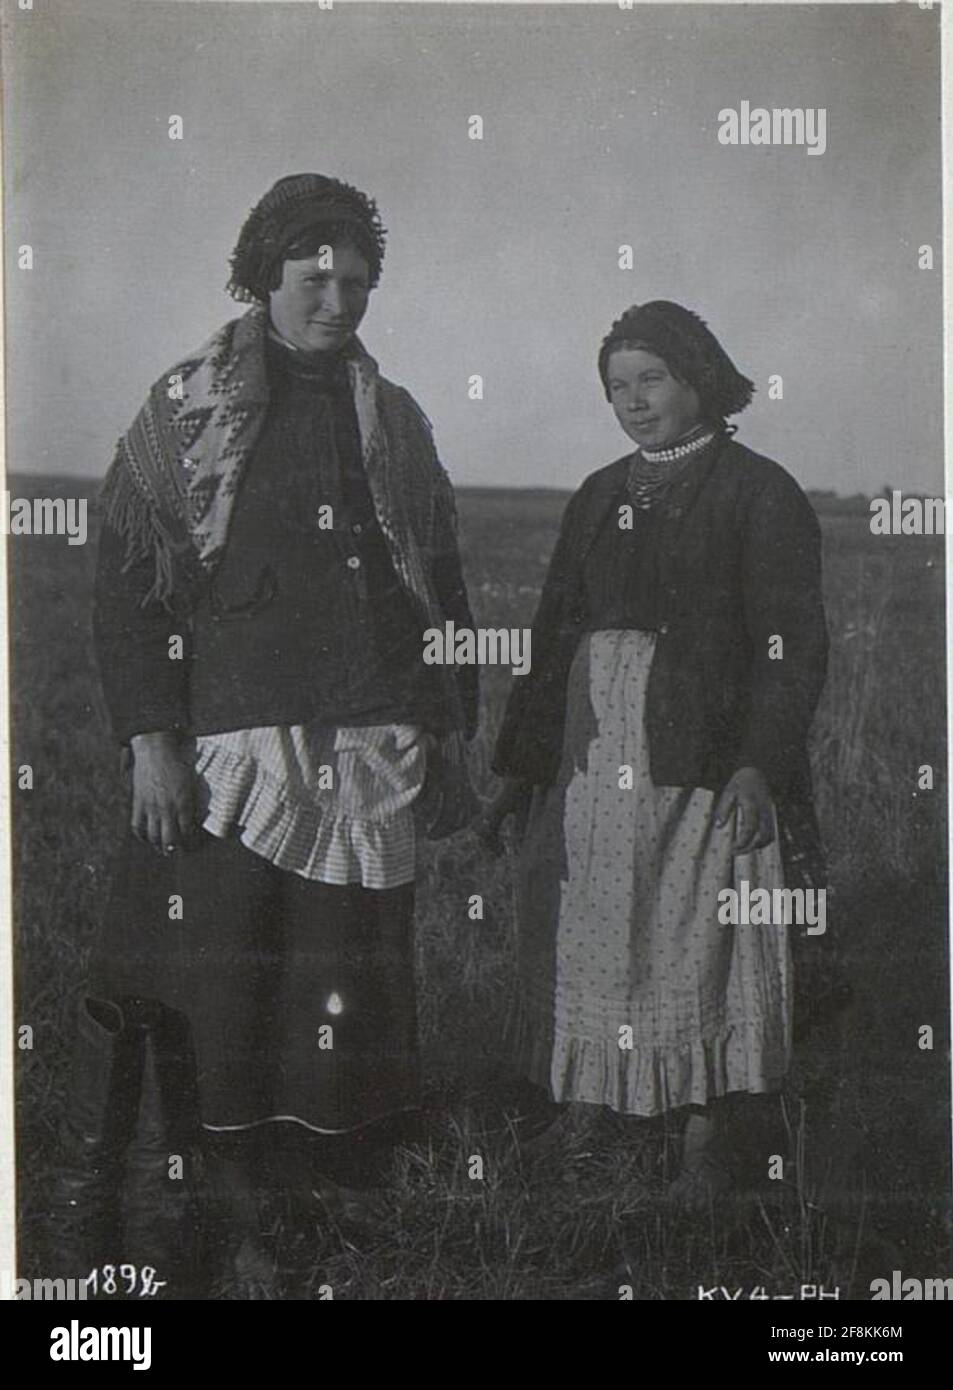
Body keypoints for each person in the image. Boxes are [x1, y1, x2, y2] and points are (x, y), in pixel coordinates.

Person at [52, 173, 478, 1291]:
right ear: (265, 274)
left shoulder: (396, 421)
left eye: (356, 281)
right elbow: (127, 587)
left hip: (369, 747)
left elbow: (439, 579)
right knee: (222, 979)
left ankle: (325, 1207)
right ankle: (202, 1212)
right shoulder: (189, 403)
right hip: (234, 751)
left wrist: (445, 727)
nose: (335, 300)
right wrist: (151, 736)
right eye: (313, 278)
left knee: (341, 984)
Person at [478, 300, 828, 1202]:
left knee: (695, 938)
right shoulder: (599, 493)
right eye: (616, 387)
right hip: (591, 763)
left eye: (652, 380)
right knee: (595, 927)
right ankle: (592, 1099)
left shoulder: (759, 490)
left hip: (699, 760)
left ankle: (706, 1135)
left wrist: (760, 760)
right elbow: (554, 630)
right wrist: (521, 768)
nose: (634, 402)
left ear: (699, 378)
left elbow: (788, 643)